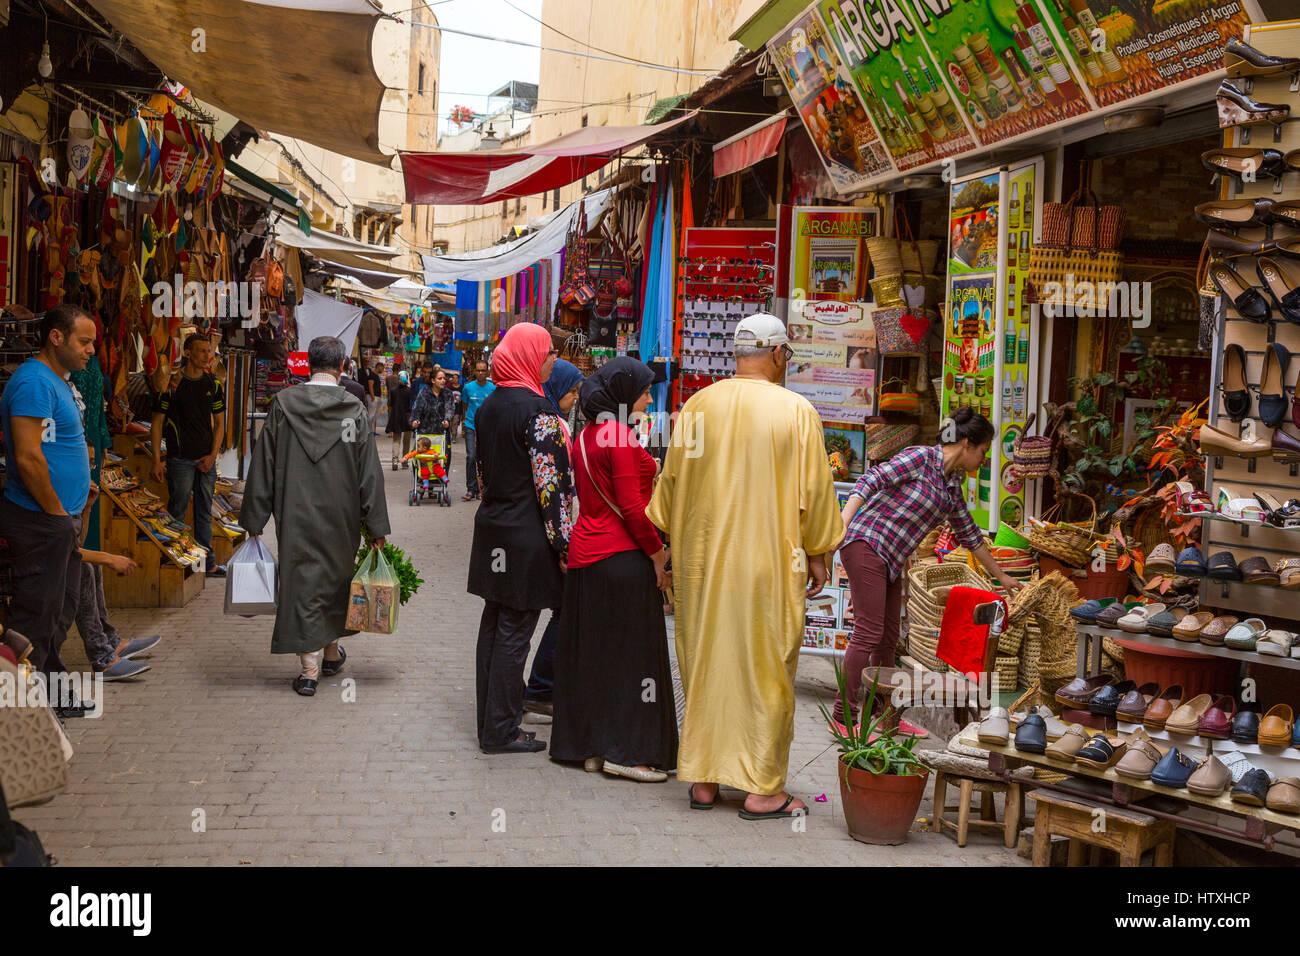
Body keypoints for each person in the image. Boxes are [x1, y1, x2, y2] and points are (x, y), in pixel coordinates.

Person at [646, 313, 844, 819]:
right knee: (766, 668)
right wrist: (818, 553)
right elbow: (817, 493)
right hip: (769, 565)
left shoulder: (697, 406)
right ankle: (762, 790)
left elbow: (666, 494)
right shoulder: (796, 412)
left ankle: (705, 780)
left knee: (706, 663)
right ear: (777, 353)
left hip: (703, 565)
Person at [835, 406, 1022, 729]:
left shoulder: (951, 486)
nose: (983, 459)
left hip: (891, 559)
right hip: (866, 544)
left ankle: (884, 717)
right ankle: (843, 716)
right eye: (983, 450)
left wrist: (1002, 576)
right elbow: (871, 479)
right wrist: (843, 521)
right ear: (967, 443)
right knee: (869, 632)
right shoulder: (921, 458)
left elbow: (970, 536)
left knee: (888, 638)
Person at [241, 335, 391, 697]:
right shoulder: (353, 409)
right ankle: (326, 656)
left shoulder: (283, 405)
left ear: (308, 365)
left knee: (301, 584)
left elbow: (264, 464)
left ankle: (313, 666)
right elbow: (368, 473)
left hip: (294, 511)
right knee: (335, 580)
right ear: (342, 367)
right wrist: (376, 526)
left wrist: (254, 519)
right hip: (342, 513)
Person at [551, 358, 677, 782]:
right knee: (632, 660)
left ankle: (593, 747)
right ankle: (627, 753)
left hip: (586, 559)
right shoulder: (619, 437)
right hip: (621, 558)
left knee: (596, 657)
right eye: (644, 392)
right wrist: (658, 555)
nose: (649, 399)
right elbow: (632, 509)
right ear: (623, 394)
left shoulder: (586, 434)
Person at [467, 323, 570, 754]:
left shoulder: (489, 406)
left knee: (495, 626)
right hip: (526, 536)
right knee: (514, 631)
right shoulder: (540, 414)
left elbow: (482, 475)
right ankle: (502, 730)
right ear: (530, 357)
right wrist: (563, 544)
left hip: (494, 529)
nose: (552, 361)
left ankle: (491, 722)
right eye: (548, 354)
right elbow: (552, 488)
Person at [0, 304, 97, 715]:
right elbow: (28, 457)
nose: (91, 350)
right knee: (35, 617)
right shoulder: (34, 383)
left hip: (58, 520)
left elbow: (56, 446)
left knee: (57, 613)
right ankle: (17, 715)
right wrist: (57, 514)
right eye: (84, 341)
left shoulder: (57, 382)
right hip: (39, 520)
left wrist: (78, 494)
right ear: (56, 337)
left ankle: (53, 696)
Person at [523, 358, 585, 715]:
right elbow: (554, 487)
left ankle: (540, 688)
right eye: (571, 391)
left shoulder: (547, 417)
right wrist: (563, 543)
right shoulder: (549, 422)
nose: (575, 398)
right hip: (550, 534)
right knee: (562, 611)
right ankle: (540, 689)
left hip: (542, 531)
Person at [149, 332, 226, 575]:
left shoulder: (213, 384)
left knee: (204, 513)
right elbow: (157, 423)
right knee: (177, 512)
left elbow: (220, 424)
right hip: (180, 459)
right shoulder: (171, 385)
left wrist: (212, 456)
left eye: (208, 351)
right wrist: (156, 461)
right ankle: (178, 563)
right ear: (188, 353)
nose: (206, 356)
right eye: (201, 351)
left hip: (206, 459)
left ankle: (206, 564)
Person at [409, 367, 456, 480]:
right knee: (420, 457)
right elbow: (417, 408)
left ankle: (441, 480)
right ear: (433, 380)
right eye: (440, 378)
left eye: (444, 378)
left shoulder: (448, 393)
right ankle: (420, 480)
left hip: (441, 431)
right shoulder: (424, 392)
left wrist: (447, 420)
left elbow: (450, 409)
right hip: (425, 431)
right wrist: (414, 421)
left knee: (444, 457)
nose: (443, 381)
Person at [460, 359, 495, 501]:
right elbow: (464, 406)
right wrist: (464, 424)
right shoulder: (467, 388)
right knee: (471, 457)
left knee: (485, 458)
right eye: (478, 370)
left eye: (483, 370)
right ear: (474, 371)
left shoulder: (493, 388)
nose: (480, 373)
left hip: (487, 428)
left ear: (488, 372)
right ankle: (470, 488)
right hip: (470, 426)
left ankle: (482, 488)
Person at [386, 370, 414, 468]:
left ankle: (394, 460)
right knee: (406, 441)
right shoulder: (410, 391)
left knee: (396, 439)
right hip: (407, 418)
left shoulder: (393, 390)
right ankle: (404, 462)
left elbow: (391, 404)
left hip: (396, 416)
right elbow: (411, 405)